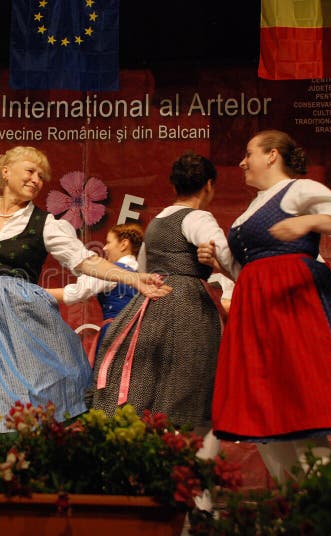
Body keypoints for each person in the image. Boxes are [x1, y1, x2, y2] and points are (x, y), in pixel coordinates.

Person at [199, 129, 331, 482]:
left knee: (297, 403)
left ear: (272, 155)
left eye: (249, 153)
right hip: (257, 310)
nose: (242, 162)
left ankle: (326, 497)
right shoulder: (249, 210)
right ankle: (296, 500)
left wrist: (310, 220)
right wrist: (219, 265)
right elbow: (247, 272)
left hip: (293, 305)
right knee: (269, 409)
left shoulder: (299, 189)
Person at [0, 146, 169, 429]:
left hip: (21, 317)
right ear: (6, 172)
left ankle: (22, 460)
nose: (37, 180)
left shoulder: (44, 224)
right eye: (31, 171)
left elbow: (85, 261)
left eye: (41, 176)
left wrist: (134, 278)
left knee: (24, 392)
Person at [88, 151, 234, 443]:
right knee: (186, 387)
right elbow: (225, 256)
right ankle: (182, 462)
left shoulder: (156, 222)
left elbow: (143, 269)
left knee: (145, 384)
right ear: (208, 185)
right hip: (188, 311)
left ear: (173, 186)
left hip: (149, 305)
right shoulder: (198, 217)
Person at [47, 223, 144, 366]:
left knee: (107, 380)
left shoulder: (112, 272)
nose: (104, 248)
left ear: (124, 244)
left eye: (109, 242)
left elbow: (76, 293)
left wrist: (36, 292)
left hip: (115, 335)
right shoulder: (143, 274)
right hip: (139, 338)